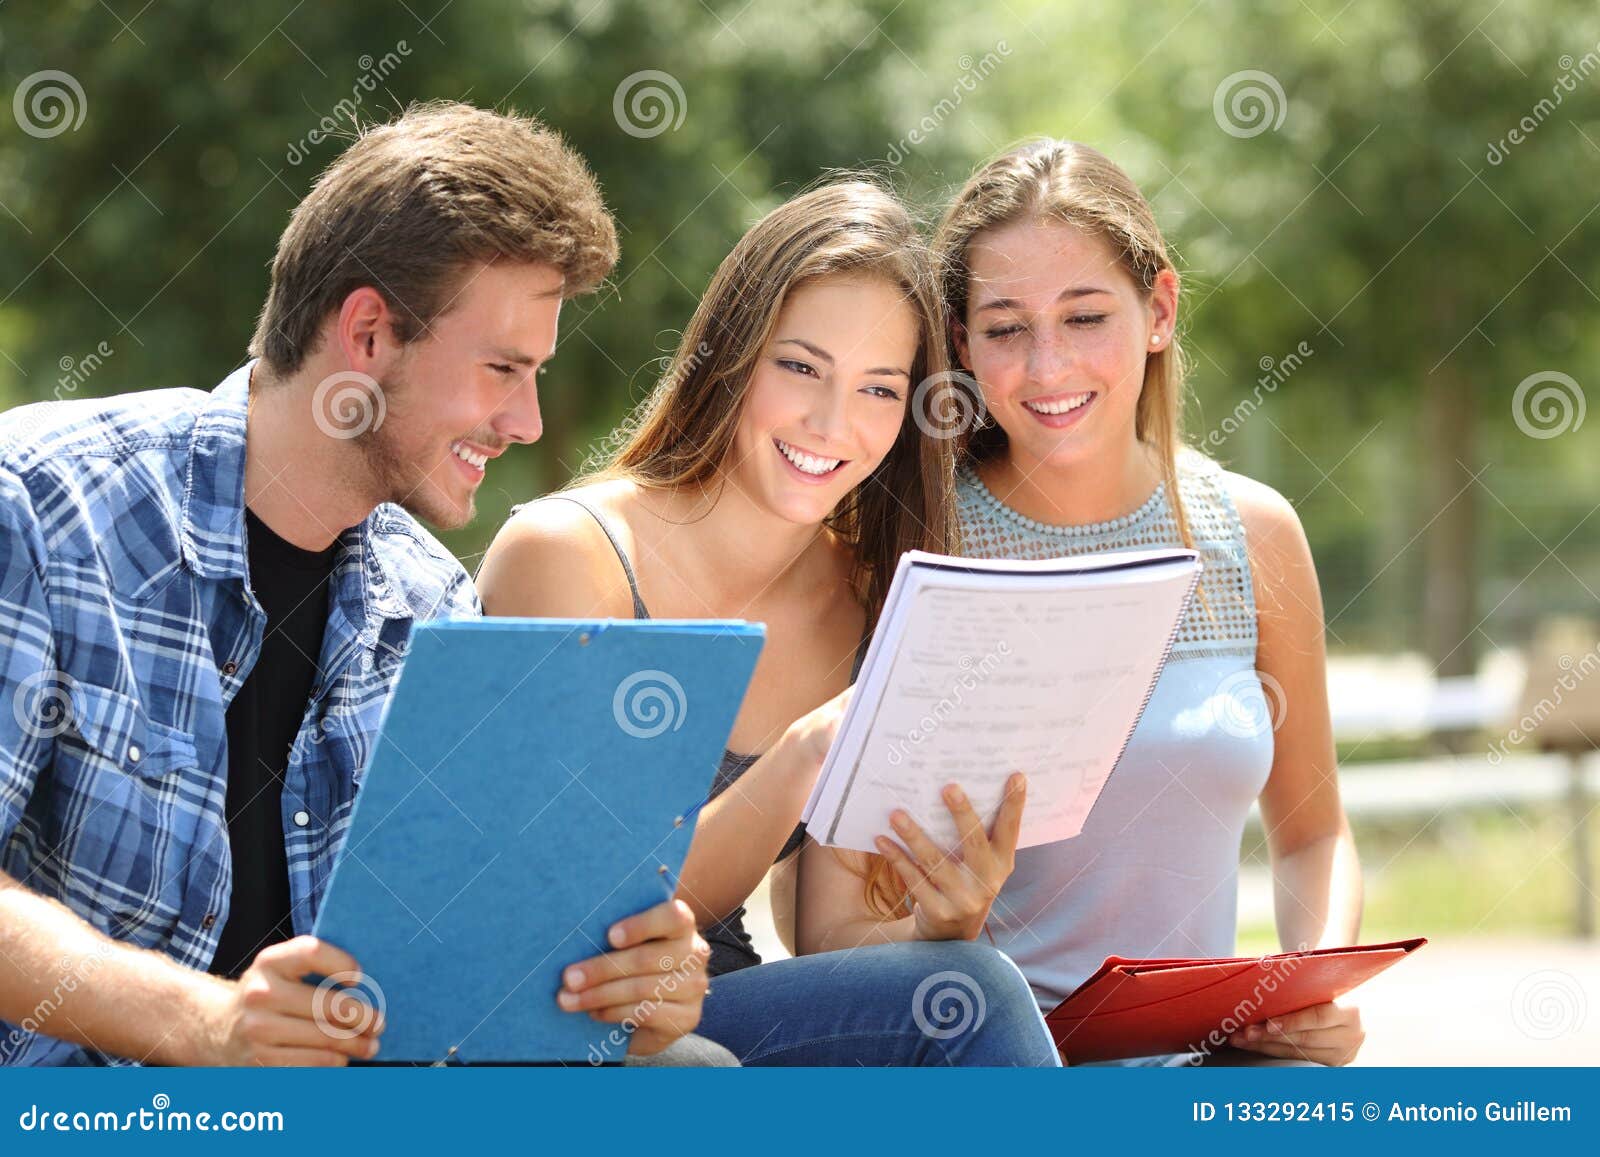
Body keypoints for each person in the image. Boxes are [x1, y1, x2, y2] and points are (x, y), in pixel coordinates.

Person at [0, 102, 724, 1067]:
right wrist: (205, 1025)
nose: (528, 421)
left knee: (688, 1071)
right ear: (370, 334)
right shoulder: (43, 505)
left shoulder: (431, 603)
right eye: (503, 368)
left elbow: (470, 976)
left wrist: (628, 992)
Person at [794, 141, 1366, 1067]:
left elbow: (1314, 832)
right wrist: (935, 937)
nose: (1048, 365)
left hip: (1208, 1071)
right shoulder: (906, 547)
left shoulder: (1254, 535)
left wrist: (1314, 983)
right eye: (1007, 327)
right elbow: (823, 927)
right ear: (963, 342)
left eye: (1086, 315)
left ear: (1160, 310)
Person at [476, 179, 1060, 1067]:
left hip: (730, 1009)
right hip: (569, 1021)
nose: (833, 423)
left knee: (968, 987)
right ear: (733, 355)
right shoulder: (570, 556)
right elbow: (596, 923)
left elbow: (832, 937)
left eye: (877, 389)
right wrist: (799, 760)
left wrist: (943, 922)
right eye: (800, 367)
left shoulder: (872, 601)